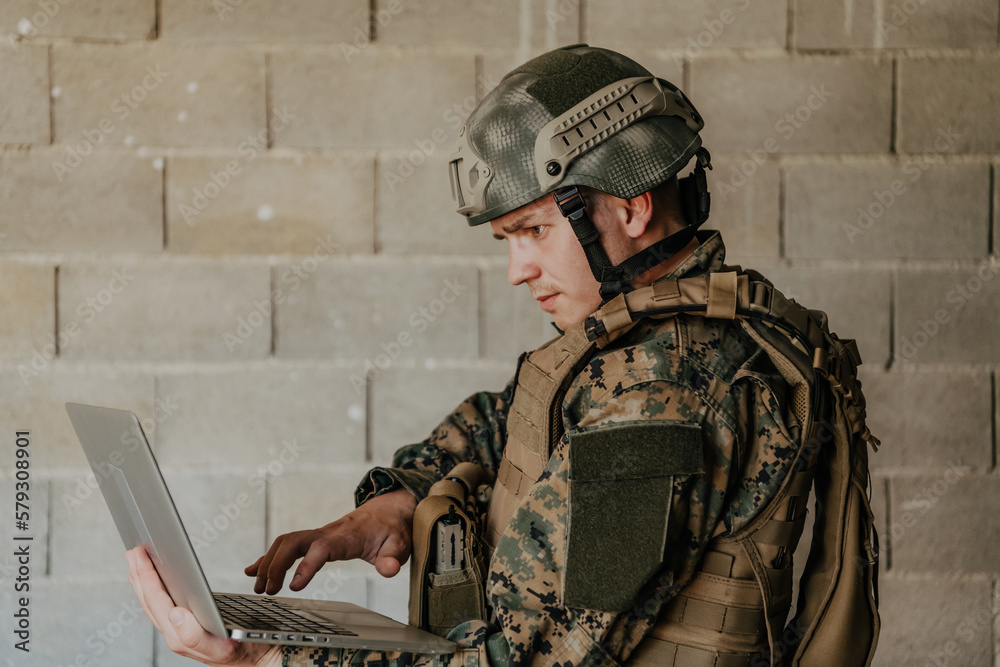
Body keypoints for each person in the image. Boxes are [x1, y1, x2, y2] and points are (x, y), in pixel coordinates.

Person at [128, 44, 879, 667]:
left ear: (630, 205)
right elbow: (511, 414)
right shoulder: (641, 342)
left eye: (533, 231)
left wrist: (272, 656)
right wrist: (397, 495)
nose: (518, 269)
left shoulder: (669, 394)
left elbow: (522, 658)